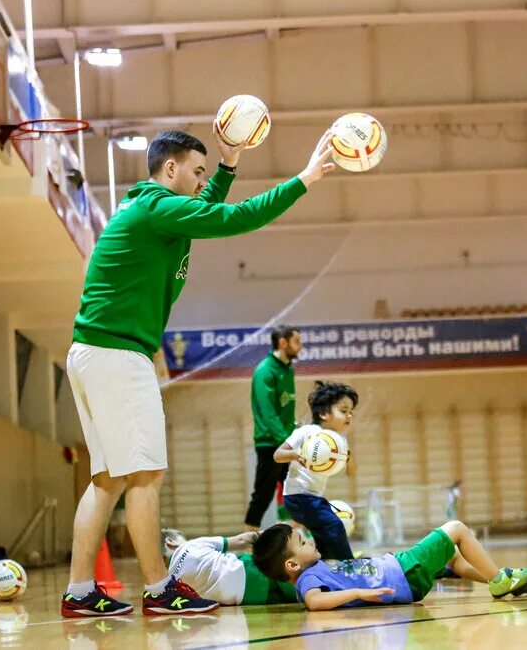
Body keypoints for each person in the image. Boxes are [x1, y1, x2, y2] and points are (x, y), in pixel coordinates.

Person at [62, 126, 337, 618]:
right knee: (146, 475)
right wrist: (307, 177)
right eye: (196, 171)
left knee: (108, 479)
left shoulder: (153, 209)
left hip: (94, 353)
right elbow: (232, 217)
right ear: (170, 169)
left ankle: (81, 591)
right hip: (118, 357)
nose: (199, 181)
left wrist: (228, 166)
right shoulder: (159, 209)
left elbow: (206, 207)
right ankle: (159, 587)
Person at [251, 520, 527, 610]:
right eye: (302, 543)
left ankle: (498, 581)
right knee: (457, 529)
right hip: (403, 574)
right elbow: (314, 602)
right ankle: (501, 579)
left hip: (401, 570)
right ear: (291, 565)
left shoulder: (312, 571)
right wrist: (356, 594)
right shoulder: (307, 582)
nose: (309, 542)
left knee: (452, 555)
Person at [273, 381, 357, 560]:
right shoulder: (308, 431)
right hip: (297, 496)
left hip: (314, 498)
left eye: (351, 412)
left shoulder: (339, 441)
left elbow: (351, 473)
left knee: (323, 536)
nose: (349, 415)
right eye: (343, 411)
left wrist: (348, 457)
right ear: (323, 413)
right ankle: (350, 565)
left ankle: (325, 565)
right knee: (334, 525)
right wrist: (298, 455)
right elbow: (278, 455)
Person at [243, 325, 301, 532]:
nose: (300, 348)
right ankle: (247, 543)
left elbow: (284, 408)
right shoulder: (264, 371)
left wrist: (296, 432)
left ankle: (293, 539)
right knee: (263, 494)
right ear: (283, 343)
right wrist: (288, 442)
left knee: (294, 491)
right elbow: (268, 414)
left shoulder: (288, 370)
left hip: (286, 441)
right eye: (297, 342)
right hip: (270, 443)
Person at [161, 530, 297, 605]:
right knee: (296, 573)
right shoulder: (190, 545)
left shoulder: (170, 586)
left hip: (247, 598)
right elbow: (243, 540)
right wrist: (271, 534)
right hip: (251, 570)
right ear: (171, 542)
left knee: (294, 599)